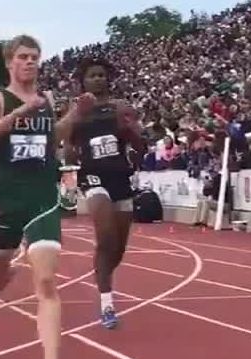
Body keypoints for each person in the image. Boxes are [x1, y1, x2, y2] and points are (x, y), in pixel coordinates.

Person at [0, 34, 64, 359]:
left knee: (46, 283)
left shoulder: (48, 100)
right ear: (9, 62)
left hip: (43, 198)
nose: (30, 62)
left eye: (35, 57)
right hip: (7, 200)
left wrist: (73, 119)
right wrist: (18, 114)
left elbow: (53, 141)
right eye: (23, 57)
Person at [57, 58, 146, 330]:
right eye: (92, 75)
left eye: (101, 75)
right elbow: (64, 145)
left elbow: (141, 145)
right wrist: (72, 133)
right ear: (82, 81)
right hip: (92, 176)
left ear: (108, 79)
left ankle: (102, 270)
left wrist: (132, 130)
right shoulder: (77, 110)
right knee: (105, 234)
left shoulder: (121, 107)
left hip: (120, 176)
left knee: (116, 248)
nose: (97, 79)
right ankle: (107, 304)